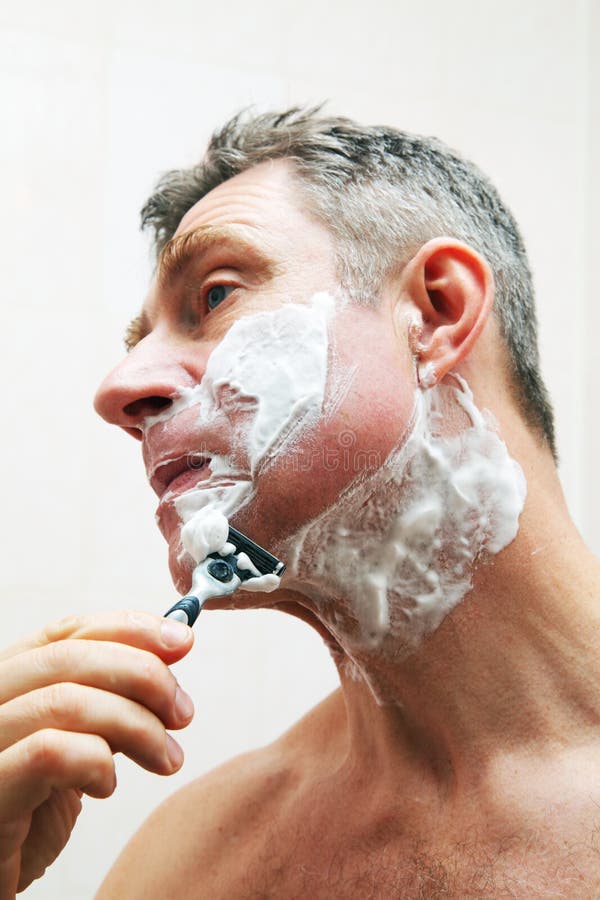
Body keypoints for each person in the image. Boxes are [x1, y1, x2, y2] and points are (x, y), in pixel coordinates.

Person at [2, 108, 599, 898]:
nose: (120, 390)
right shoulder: (190, 867)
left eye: (215, 294)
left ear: (435, 312)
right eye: (138, 342)